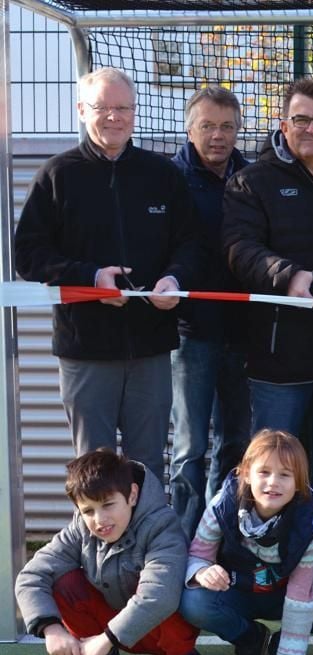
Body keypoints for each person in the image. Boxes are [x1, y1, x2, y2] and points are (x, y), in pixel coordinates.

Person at [14, 67, 201, 478]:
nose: (114, 117)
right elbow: (27, 254)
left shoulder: (162, 174)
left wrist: (175, 279)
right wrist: (90, 277)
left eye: (123, 108)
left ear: (134, 112)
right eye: (103, 107)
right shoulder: (57, 175)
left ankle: (145, 544)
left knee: (146, 466)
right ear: (82, 110)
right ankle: (96, 545)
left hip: (151, 347)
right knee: (92, 469)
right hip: (85, 349)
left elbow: (191, 244)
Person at [222, 77, 313, 561]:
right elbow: (239, 250)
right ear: (283, 125)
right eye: (301, 119)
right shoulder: (251, 181)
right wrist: (289, 275)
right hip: (278, 363)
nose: (312, 130)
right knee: (267, 470)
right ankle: (258, 563)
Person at [15, 450, 208, 655]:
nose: (99, 519)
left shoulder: (162, 526)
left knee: (165, 591)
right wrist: (50, 628)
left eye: (108, 504)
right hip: (109, 629)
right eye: (88, 510)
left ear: (133, 495)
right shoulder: (80, 529)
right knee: (64, 581)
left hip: (161, 632)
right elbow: (31, 575)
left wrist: (106, 639)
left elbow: (159, 596)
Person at [180, 429, 313, 655]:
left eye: (285, 475)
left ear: (299, 484)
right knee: (193, 601)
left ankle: (280, 649)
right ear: (246, 473)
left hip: (283, 595)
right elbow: (197, 554)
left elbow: (299, 598)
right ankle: (250, 640)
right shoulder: (221, 506)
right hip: (236, 593)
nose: (273, 482)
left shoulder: (306, 522)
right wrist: (203, 571)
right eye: (264, 472)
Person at [169, 85, 252, 537]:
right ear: (189, 128)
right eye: (207, 126)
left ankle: (221, 536)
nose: (217, 136)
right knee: (189, 447)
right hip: (190, 335)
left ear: (238, 130)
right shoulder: (169, 179)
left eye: (226, 127)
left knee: (236, 444)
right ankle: (180, 544)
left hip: (243, 335)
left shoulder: (253, 178)